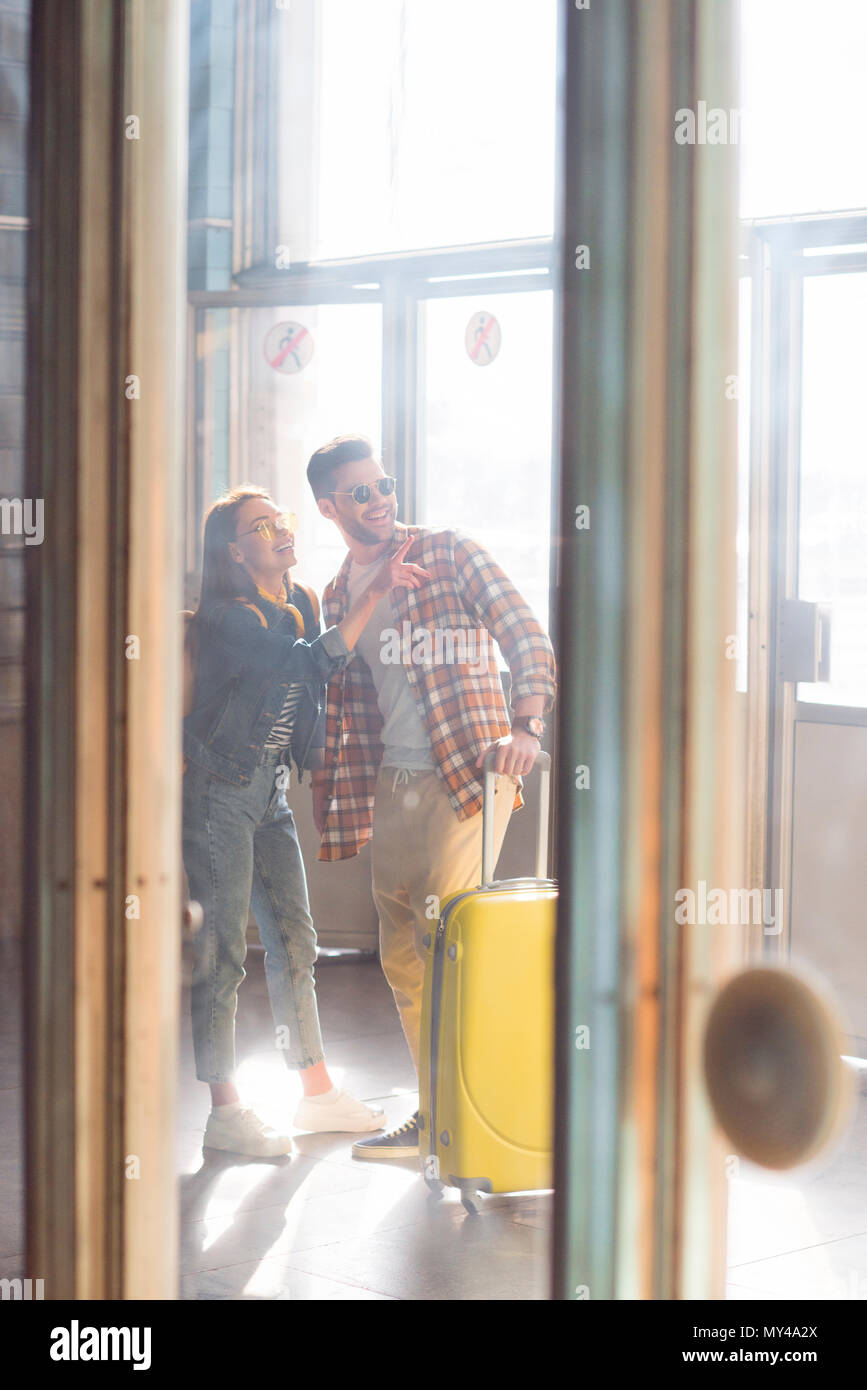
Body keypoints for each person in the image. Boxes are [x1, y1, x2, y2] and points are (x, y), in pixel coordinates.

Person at [306, 436, 557, 1161]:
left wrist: (526, 726)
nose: (380, 498)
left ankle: (474, 1119)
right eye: (360, 492)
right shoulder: (336, 592)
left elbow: (526, 636)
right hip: (394, 781)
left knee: (449, 942)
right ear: (329, 506)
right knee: (403, 953)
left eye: (383, 484)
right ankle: (436, 1116)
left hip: (467, 773)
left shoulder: (450, 552)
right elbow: (346, 698)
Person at [182, 484, 430, 1157]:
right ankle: (225, 1111)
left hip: (268, 792)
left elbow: (312, 691)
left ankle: (315, 1091)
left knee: (296, 940)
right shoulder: (232, 618)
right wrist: (373, 593)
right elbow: (302, 665)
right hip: (218, 789)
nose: (278, 531)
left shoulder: (300, 601)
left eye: (280, 519)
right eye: (260, 526)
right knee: (224, 952)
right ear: (235, 552)